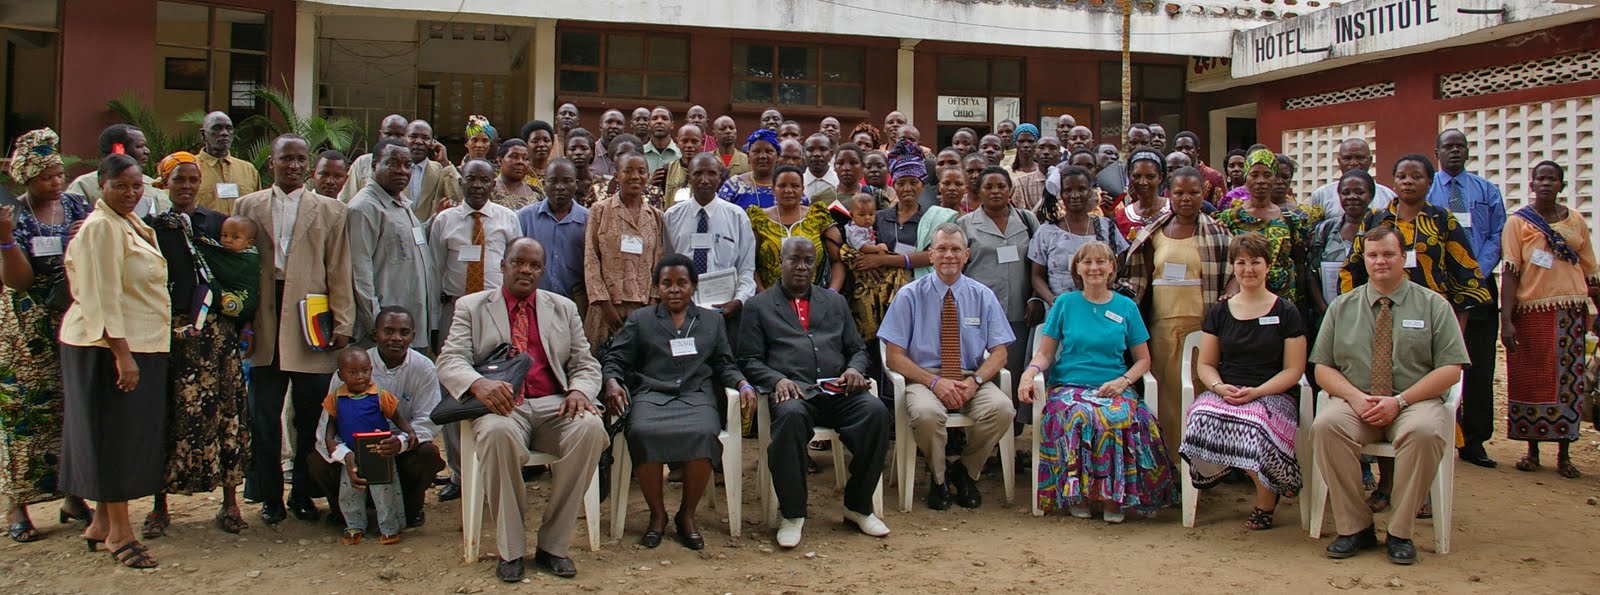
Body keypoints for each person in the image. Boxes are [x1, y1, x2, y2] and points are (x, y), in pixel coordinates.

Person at [436, 237, 607, 581]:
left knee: (591, 430)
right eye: (518, 262)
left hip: (553, 405)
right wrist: (478, 385)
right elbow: (449, 359)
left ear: (543, 271)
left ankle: (553, 545)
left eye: (534, 265)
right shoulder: (472, 306)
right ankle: (510, 550)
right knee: (497, 434)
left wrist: (578, 390)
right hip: (501, 407)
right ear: (503, 265)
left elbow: (586, 364)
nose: (526, 270)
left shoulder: (562, 307)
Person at [1312, 225, 1468, 565]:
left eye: (1388, 254)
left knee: (1426, 432)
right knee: (1326, 426)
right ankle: (1356, 528)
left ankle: (1400, 532)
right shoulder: (1342, 306)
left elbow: (1451, 368)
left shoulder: (1433, 305)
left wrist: (1399, 401)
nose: (1380, 261)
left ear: (1403, 258)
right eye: (1373, 255)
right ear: (1364, 260)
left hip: (1413, 402)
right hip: (1359, 402)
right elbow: (1323, 368)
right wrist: (1354, 397)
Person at [236, 134, 356, 525]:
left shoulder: (330, 211)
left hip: (311, 320)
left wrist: (342, 322)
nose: (293, 165)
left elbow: (339, 269)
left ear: (308, 165)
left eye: (300, 159)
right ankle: (270, 495)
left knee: (309, 419)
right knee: (264, 416)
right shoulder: (247, 205)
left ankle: (304, 493)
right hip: (265, 318)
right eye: (285, 158)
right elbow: (238, 267)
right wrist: (240, 321)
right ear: (271, 163)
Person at [58, 154, 171, 568]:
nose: (130, 193)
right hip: (107, 348)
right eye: (120, 186)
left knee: (124, 434)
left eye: (137, 186)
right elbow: (102, 294)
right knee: (115, 438)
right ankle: (120, 533)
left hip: (140, 343)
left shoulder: (128, 223)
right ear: (100, 185)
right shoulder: (101, 227)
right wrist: (122, 354)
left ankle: (102, 523)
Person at [743, 236, 891, 547]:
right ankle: (793, 514)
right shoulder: (758, 306)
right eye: (793, 260)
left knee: (876, 413)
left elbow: (857, 349)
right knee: (791, 420)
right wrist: (775, 380)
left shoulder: (834, 302)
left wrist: (853, 369)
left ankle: (858, 506)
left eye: (808, 261)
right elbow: (748, 360)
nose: (800, 267)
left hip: (838, 390)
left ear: (816, 265)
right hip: (794, 393)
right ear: (780, 262)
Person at [603, 254, 756, 550]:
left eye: (681, 283)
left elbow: (725, 363)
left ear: (693, 286)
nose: (674, 289)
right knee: (643, 432)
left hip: (696, 396)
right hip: (652, 395)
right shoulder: (641, 320)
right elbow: (615, 359)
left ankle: (687, 515)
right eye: (667, 283)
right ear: (657, 287)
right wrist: (611, 381)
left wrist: (742, 383)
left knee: (702, 434)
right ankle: (657, 515)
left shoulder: (712, 320)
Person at [1016, 240, 1175, 522]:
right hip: (1070, 386)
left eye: (1101, 262)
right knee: (1080, 415)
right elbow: (1045, 352)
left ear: (1112, 267)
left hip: (1113, 384)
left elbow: (1143, 360)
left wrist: (1123, 381)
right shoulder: (1064, 304)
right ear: (1077, 268)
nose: (1094, 268)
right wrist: (1029, 373)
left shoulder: (1126, 307)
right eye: (1087, 262)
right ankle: (1083, 495)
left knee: (1123, 417)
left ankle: (1114, 498)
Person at [139, 151, 254, 538]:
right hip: (170, 335)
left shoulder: (219, 224)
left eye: (192, 180)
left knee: (225, 413)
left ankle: (230, 502)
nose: (186, 187)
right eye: (178, 180)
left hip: (216, 337)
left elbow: (241, 273)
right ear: (165, 185)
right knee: (167, 414)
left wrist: (244, 322)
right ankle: (159, 505)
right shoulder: (151, 228)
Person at [878, 223, 1016, 510]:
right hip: (925, 378)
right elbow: (894, 357)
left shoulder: (982, 295)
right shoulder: (909, 295)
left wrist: (975, 382)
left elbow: (1000, 352)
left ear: (966, 254)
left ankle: (965, 471)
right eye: (942, 249)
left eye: (955, 249)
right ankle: (939, 478)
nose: (948, 255)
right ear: (930, 255)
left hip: (970, 378)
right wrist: (934, 382)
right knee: (926, 414)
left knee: (1002, 410)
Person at [0, 128, 95, 543]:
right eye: (46, 177)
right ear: (26, 179)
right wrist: (5, 240)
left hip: (73, 321)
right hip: (26, 331)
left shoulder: (76, 204)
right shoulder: (13, 215)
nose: (56, 183)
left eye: (59, 174)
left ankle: (73, 496)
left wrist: (81, 242)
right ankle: (17, 505)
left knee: (71, 411)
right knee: (22, 416)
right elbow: (18, 282)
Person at [1180, 232, 1308, 530]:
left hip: (1273, 394)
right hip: (1227, 392)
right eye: (1241, 262)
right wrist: (1217, 387)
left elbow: (1294, 369)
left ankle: (1266, 497)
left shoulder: (1286, 312)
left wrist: (1258, 392)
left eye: (1255, 262)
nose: (1248, 269)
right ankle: (1246, 481)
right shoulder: (1219, 312)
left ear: (1268, 265)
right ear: (1233, 266)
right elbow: (1207, 364)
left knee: (1253, 425)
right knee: (1201, 416)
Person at [1120, 167, 1234, 457]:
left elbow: (1235, 269)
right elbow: (1139, 276)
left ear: (1202, 194)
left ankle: (1199, 462)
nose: (1186, 199)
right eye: (1179, 192)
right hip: (1161, 326)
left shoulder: (1218, 232)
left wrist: (1230, 291)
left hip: (1201, 325)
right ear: (1169, 194)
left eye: (1193, 193)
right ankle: (1167, 460)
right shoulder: (1153, 232)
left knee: (1197, 391)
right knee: (1166, 393)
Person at [1500, 161, 1596, 478]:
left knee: (1568, 382)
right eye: (1540, 178)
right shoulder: (1518, 223)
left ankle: (1565, 454)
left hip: (1570, 313)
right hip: (1530, 313)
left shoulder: (1575, 221)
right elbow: (1511, 272)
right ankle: (1532, 451)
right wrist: (1507, 318)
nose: (1545, 183)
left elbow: (1590, 267)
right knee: (1531, 380)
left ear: (1561, 185)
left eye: (1551, 179)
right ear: (1531, 184)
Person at [308, 307, 444, 526]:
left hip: (396, 449)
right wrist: (346, 456)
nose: (396, 338)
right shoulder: (350, 367)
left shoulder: (424, 368)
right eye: (388, 331)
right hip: (354, 450)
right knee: (317, 460)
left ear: (413, 336)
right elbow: (326, 428)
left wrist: (400, 443)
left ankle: (411, 509)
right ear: (375, 334)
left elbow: (428, 420)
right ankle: (342, 512)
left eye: (404, 332)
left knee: (428, 453)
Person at [1430, 129, 1506, 469]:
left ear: (1468, 152)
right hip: (1438, 288)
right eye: (1449, 146)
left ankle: (1474, 441)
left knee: (1478, 363)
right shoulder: (1427, 187)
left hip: (1479, 287)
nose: (1455, 152)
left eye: (1460, 146)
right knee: (1437, 363)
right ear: (1437, 152)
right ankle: (1442, 434)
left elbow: (1497, 235)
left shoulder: (1486, 190)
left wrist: (1474, 270)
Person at [957, 166, 1039, 397]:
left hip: (1018, 309)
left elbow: (1038, 261)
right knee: (980, 368)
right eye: (989, 187)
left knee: (1013, 369)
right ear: (978, 191)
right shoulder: (965, 224)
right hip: (977, 311)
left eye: (1001, 186)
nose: (995, 191)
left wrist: (1035, 297)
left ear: (1010, 189)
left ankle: (1014, 424)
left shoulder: (1026, 219)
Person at [348, 139, 438, 349]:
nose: (402, 171)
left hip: (411, 327)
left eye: (407, 165)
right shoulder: (364, 208)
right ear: (374, 165)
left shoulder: (401, 205)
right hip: (386, 336)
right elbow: (359, 273)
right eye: (393, 163)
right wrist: (377, 326)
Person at [323, 347, 415, 546]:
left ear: (371, 370)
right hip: (351, 455)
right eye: (352, 372)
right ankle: (354, 525)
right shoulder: (335, 399)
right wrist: (333, 446)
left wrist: (409, 433)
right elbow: (331, 426)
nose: (360, 377)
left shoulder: (381, 396)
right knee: (350, 492)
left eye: (365, 371)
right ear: (341, 375)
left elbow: (398, 418)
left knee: (385, 491)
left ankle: (390, 528)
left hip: (379, 453)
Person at [664, 153, 757, 338]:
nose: (704, 180)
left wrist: (739, 300)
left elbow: (746, 269)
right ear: (689, 177)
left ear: (721, 177)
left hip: (726, 311)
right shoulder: (672, 216)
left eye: (711, 174)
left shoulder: (737, 217)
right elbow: (666, 262)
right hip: (681, 310)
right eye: (698, 173)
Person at [584, 152, 665, 351]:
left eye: (641, 171)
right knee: (599, 365)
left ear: (648, 175)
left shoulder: (656, 217)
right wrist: (605, 306)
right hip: (605, 308)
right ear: (617, 175)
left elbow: (658, 262)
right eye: (627, 171)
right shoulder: (599, 211)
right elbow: (591, 258)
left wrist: (652, 307)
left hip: (643, 310)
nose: (635, 176)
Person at [431, 159, 520, 337]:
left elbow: (516, 267)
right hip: (455, 307)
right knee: (452, 361)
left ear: (493, 185)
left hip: (496, 306)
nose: (477, 185)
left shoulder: (508, 218)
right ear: (460, 182)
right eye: (471, 179)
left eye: (484, 180)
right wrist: (434, 321)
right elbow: (434, 270)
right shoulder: (444, 220)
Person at [1217, 150, 1312, 309]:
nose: (1261, 181)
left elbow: (1299, 262)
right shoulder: (1229, 219)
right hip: (1244, 298)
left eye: (1267, 175)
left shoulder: (1291, 220)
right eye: (1254, 174)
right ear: (1246, 178)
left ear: (1275, 178)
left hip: (1282, 301)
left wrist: (1301, 303)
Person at [1030, 165, 1128, 301]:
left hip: (1100, 306)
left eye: (1081, 189)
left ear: (1090, 192)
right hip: (1061, 310)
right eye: (1068, 190)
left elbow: (1119, 266)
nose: (1075, 195)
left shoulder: (1106, 226)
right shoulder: (1047, 232)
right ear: (1060, 193)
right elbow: (1037, 276)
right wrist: (1053, 301)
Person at [749, 165, 844, 291]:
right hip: (770, 300)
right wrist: (764, 298)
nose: (788, 191)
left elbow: (838, 260)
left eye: (795, 186)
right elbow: (749, 265)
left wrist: (831, 293)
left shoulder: (817, 216)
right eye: (782, 186)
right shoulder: (759, 219)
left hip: (815, 300)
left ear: (803, 189)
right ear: (773, 189)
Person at [520, 159, 589, 303]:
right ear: (544, 184)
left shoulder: (589, 220)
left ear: (576, 184)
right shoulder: (525, 217)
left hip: (574, 304)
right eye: (553, 181)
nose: (560, 187)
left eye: (567, 181)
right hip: (531, 301)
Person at [1310, 170, 1376, 319]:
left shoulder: (1380, 227)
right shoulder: (1325, 229)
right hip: (1330, 311)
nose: (1352, 197)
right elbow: (1311, 273)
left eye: (1359, 192)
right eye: (1346, 192)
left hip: (1371, 312)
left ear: (1370, 195)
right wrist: (1325, 310)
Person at [65, 124, 170, 216]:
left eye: (137, 186)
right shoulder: (84, 185)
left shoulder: (153, 185)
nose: (147, 151)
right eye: (139, 146)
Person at [1308, 139, 1396, 222]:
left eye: (1360, 158)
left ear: (1370, 160)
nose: (1353, 163)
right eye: (1347, 158)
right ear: (1339, 161)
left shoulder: (1388, 196)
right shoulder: (1321, 195)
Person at [194, 111, 260, 215]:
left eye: (228, 128)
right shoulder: (189, 167)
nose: (224, 133)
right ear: (203, 135)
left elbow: (257, 208)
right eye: (216, 128)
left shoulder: (248, 170)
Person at [399, 120, 464, 220]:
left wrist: (445, 163)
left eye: (425, 138)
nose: (419, 142)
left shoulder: (439, 170)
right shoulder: (395, 170)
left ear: (432, 143)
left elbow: (459, 198)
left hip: (429, 233)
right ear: (404, 139)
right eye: (413, 136)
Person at [340, 114, 410, 201]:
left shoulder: (414, 166)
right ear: (380, 135)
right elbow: (347, 198)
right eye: (388, 134)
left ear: (407, 137)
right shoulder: (363, 163)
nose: (393, 139)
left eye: (399, 135)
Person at [1112, 149, 1170, 241]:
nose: (1143, 182)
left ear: (1160, 177)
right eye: (1137, 176)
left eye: (1150, 177)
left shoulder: (1173, 210)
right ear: (1130, 176)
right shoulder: (1122, 216)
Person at [717, 129, 781, 210]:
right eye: (756, 151)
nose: (762, 156)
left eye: (768, 151)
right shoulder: (734, 185)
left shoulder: (787, 186)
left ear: (778, 156)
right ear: (748, 156)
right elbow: (719, 213)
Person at [1171, 131, 1226, 207]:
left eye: (1188, 148)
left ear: (1198, 151)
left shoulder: (1214, 177)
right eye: (1179, 149)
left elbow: (1222, 208)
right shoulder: (1171, 175)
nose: (1183, 152)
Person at [831, 142, 889, 209]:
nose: (846, 168)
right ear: (834, 167)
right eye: (840, 163)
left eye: (853, 163)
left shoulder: (877, 196)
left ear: (862, 166)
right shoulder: (823, 197)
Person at [661, 124, 704, 208]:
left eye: (694, 141)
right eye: (684, 141)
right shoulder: (667, 170)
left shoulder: (710, 171)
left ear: (702, 143)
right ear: (677, 142)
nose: (689, 146)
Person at [642, 107, 681, 176]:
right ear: (648, 125)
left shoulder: (681, 154)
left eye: (664, 118)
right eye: (655, 118)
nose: (659, 121)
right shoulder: (640, 153)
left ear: (672, 125)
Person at [522, 121, 557, 192]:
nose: (541, 144)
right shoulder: (520, 172)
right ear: (526, 145)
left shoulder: (557, 171)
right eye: (535, 141)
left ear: (552, 144)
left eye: (546, 141)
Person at [590, 109, 626, 177]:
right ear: (600, 126)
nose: (614, 126)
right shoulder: (590, 152)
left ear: (624, 128)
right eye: (609, 122)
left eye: (619, 123)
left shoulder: (629, 154)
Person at [802, 133, 838, 199]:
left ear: (831, 154)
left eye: (823, 149)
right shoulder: (798, 184)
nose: (817, 154)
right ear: (803, 154)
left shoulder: (839, 183)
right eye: (811, 150)